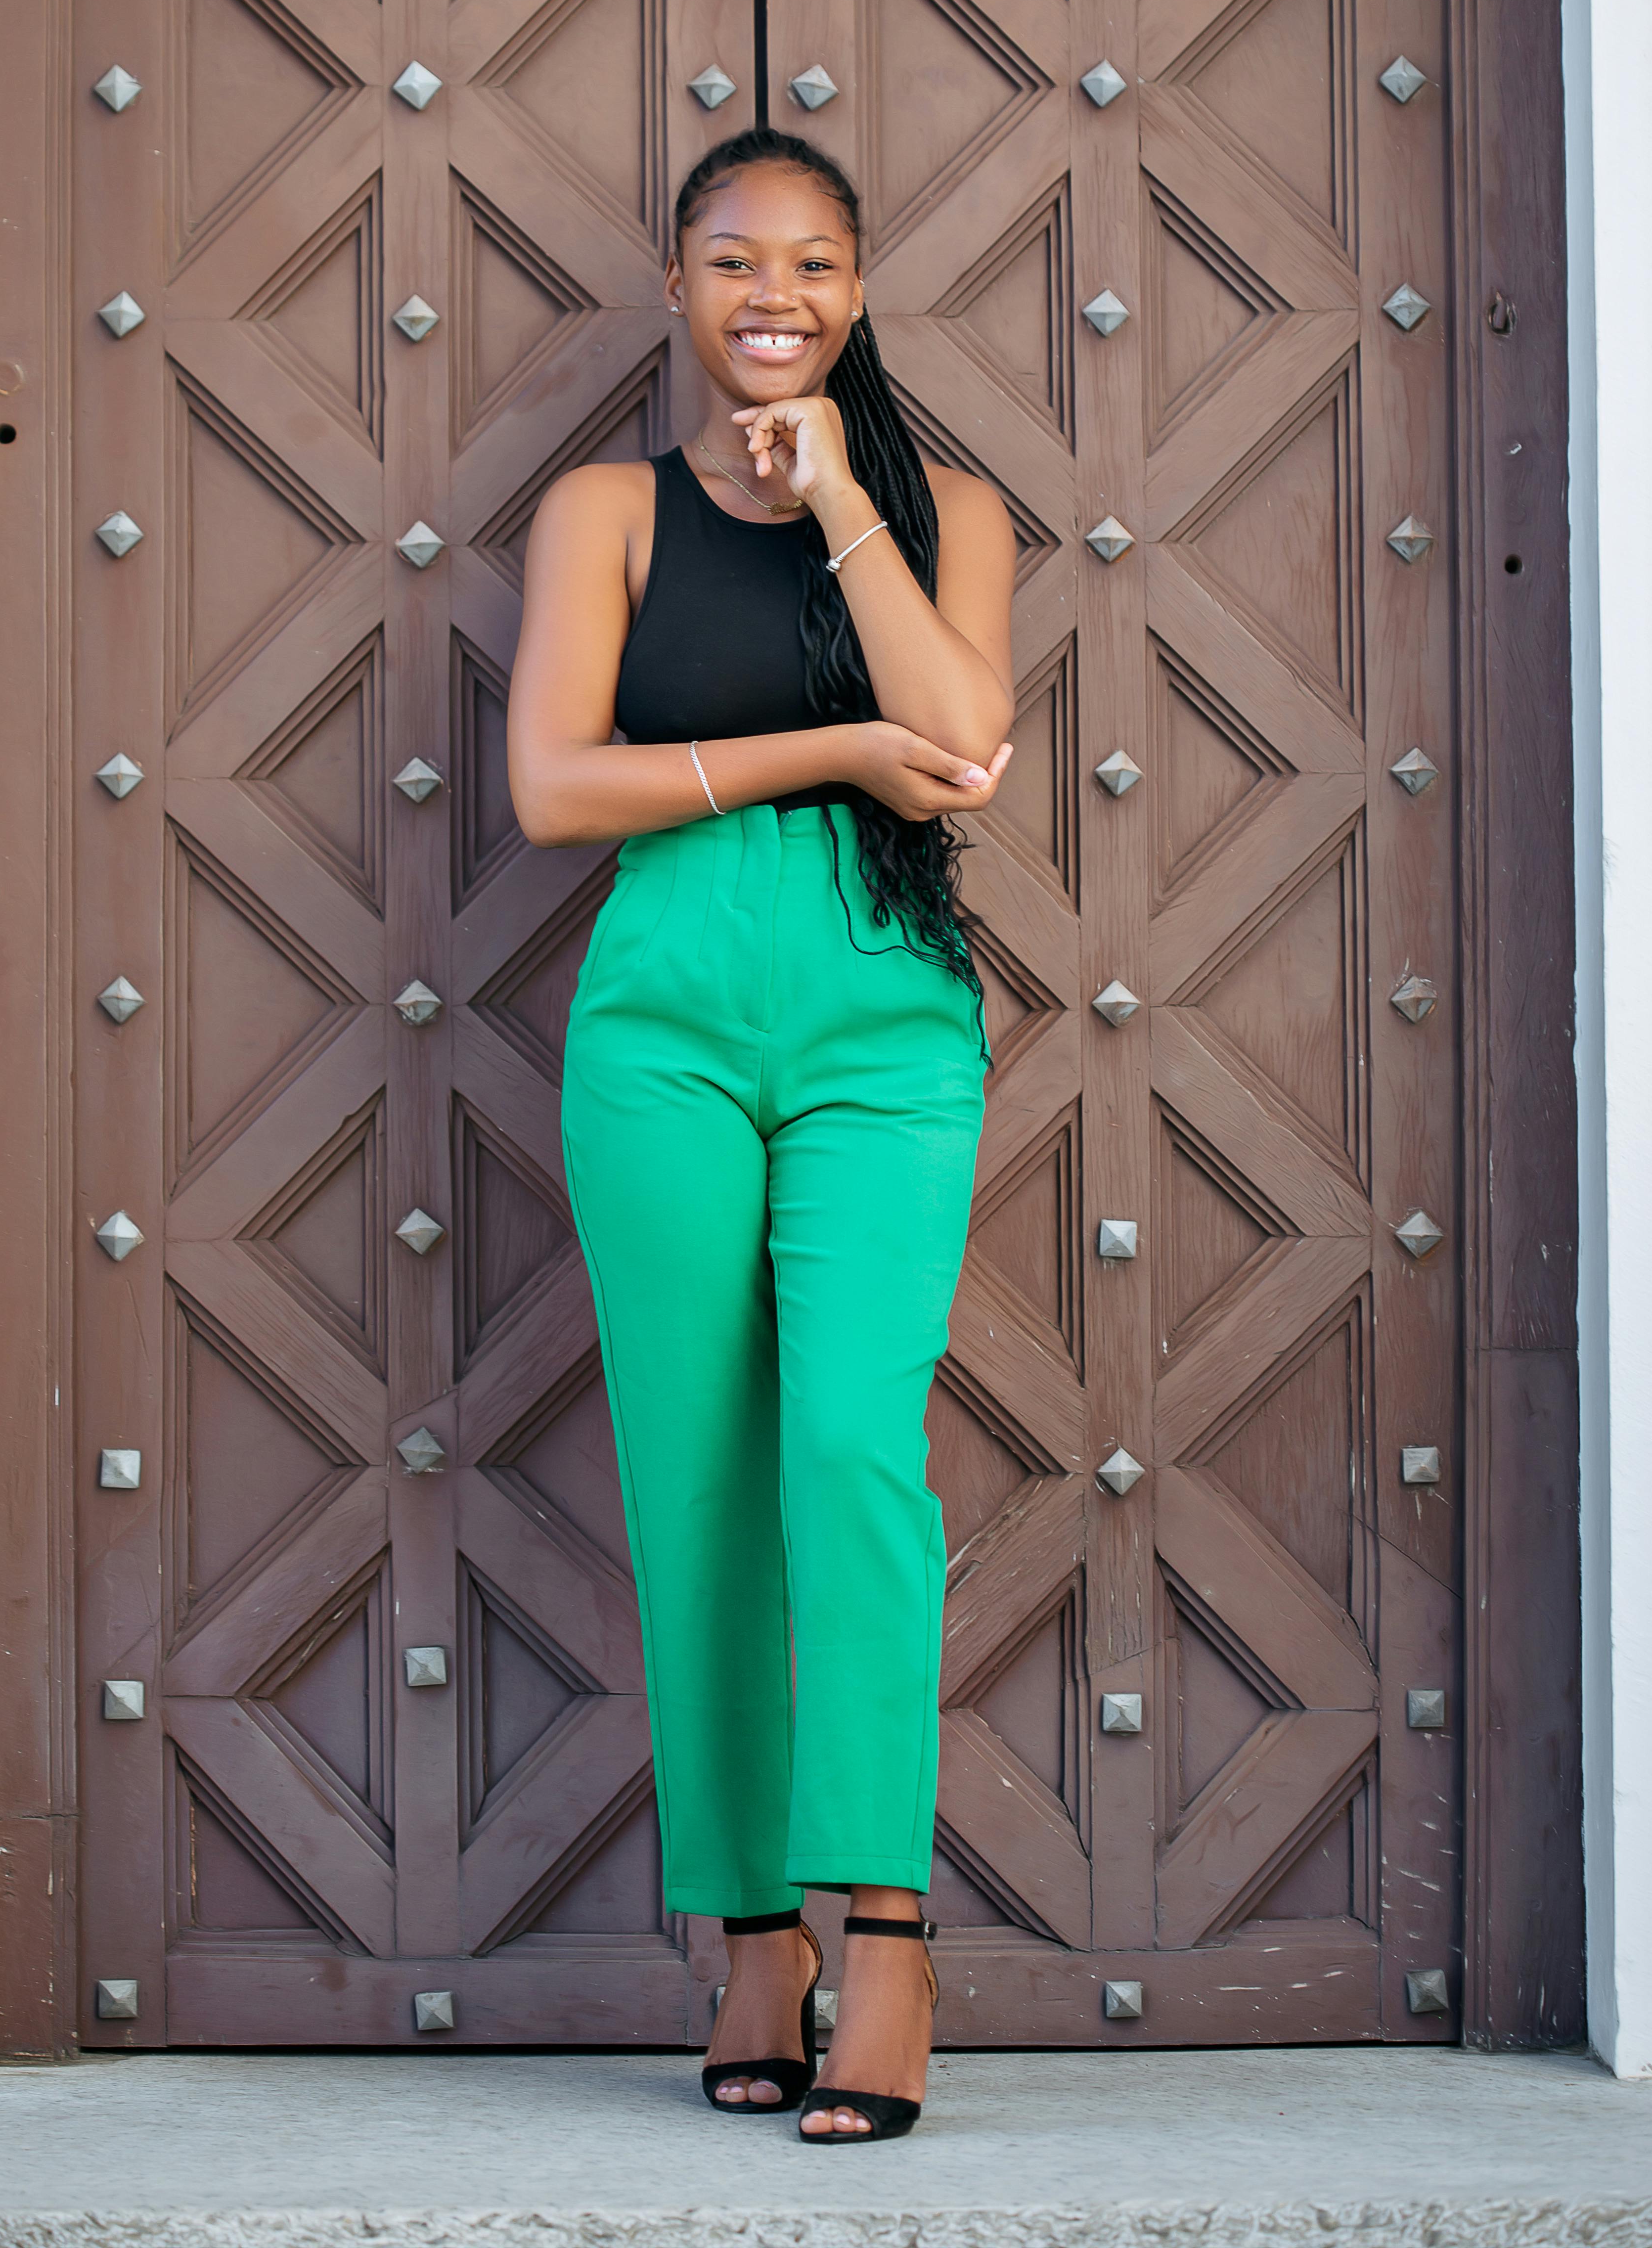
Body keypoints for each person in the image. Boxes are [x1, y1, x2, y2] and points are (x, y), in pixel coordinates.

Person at [506, 127, 1016, 2143]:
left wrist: (845, 524)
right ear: (676, 284)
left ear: (861, 288)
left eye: (810, 264)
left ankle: (878, 1928)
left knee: (851, 1451)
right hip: (664, 1023)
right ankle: (748, 1935)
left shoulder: (948, 507)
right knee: (696, 1474)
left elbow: (961, 739)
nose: (772, 297)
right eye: (733, 262)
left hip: (886, 1018)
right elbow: (554, 787)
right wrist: (821, 750)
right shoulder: (602, 513)